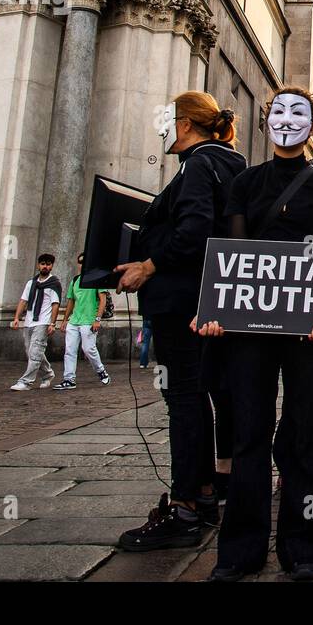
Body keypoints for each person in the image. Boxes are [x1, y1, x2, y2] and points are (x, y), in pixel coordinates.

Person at [200, 85, 313, 581]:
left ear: (312, 122)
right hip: (251, 329)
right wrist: (218, 308)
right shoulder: (244, 183)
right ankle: (241, 546)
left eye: (298, 113)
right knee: (249, 432)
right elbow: (234, 255)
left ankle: (305, 541)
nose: (287, 120)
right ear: (267, 121)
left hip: (307, 329)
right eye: (279, 112)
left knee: (304, 431)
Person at [114, 92, 247, 551]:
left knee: (184, 399)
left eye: (171, 121)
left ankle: (188, 506)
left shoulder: (196, 166)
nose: (166, 129)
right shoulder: (231, 164)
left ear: (187, 125)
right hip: (211, 302)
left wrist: (148, 265)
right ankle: (206, 493)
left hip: (181, 304)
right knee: (206, 394)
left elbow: (194, 231)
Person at [51, 254, 111, 390]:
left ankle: (100, 370)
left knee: (88, 348)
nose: (82, 265)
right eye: (80, 262)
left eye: (85, 262)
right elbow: (71, 301)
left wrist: (97, 319)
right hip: (75, 320)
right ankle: (69, 379)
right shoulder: (75, 280)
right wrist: (65, 319)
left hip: (89, 320)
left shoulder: (97, 279)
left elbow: (103, 300)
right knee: (70, 350)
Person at [9, 254, 62, 391]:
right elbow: (23, 301)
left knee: (35, 351)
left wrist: (52, 323)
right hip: (29, 321)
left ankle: (26, 382)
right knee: (31, 351)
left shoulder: (54, 283)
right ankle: (48, 373)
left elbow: (55, 304)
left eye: (49, 264)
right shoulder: (31, 283)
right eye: (43, 263)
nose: (45, 266)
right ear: (38, 265)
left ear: (52, 266)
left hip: (43, 322)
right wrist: (17, 318)